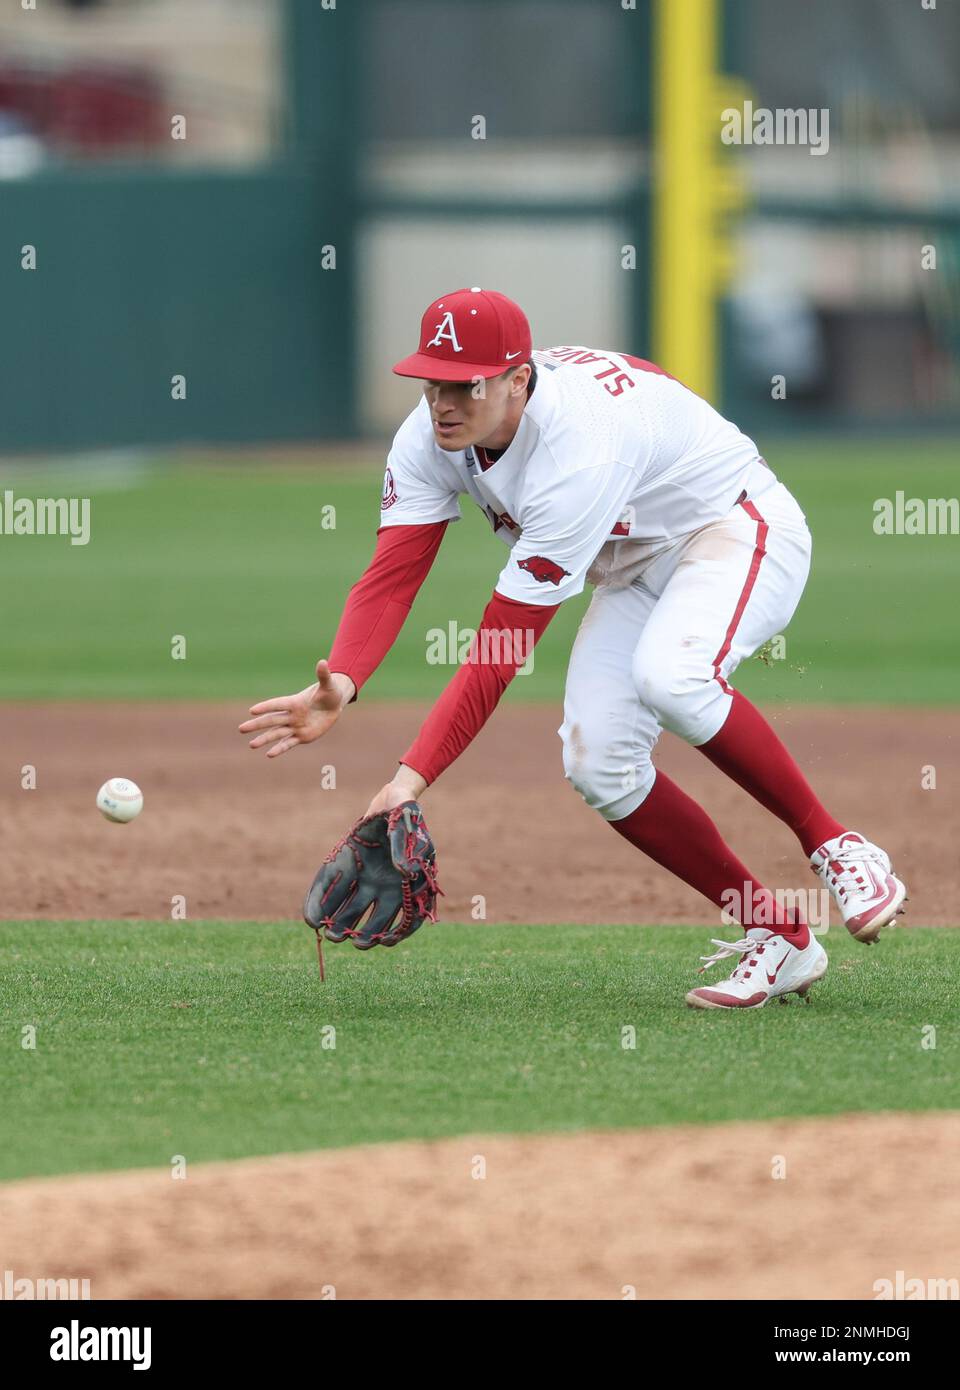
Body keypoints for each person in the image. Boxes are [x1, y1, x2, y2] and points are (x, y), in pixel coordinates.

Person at [240, 287, 906, 1009]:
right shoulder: (428, 439)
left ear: (519, 379)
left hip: (734, 526)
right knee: (599, 764)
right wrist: (346, 675)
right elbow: (394, 571)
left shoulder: (575, 453)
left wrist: (409, 781)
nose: (443, 403)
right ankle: (780, 934)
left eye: (466, 384)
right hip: (632, 565)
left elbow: (500, 648)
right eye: (433, 382)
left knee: (672, 679)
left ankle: (837, 847)